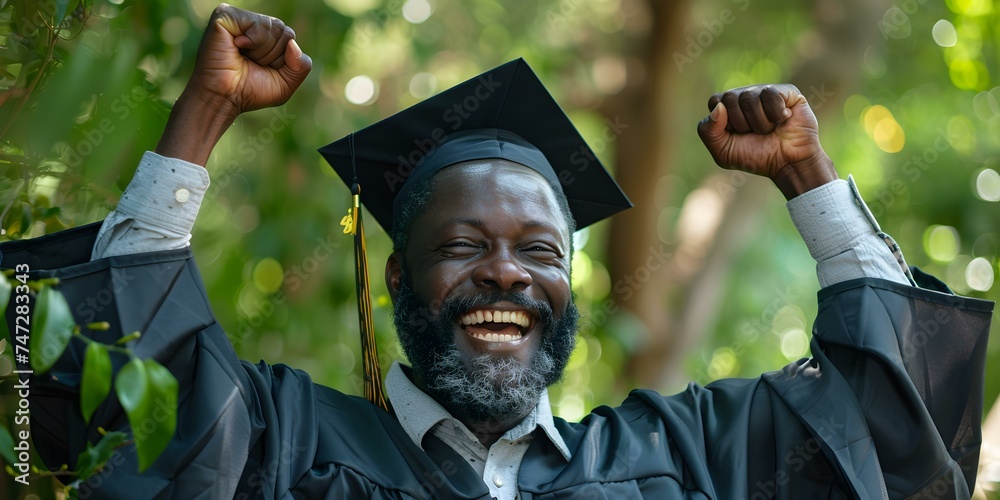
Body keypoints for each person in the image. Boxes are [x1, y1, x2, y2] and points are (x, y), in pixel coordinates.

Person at [1, 4, 993, 499]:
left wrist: (812, 182)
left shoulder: (680, 457)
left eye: (539, 250)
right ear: (398, 276)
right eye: (464, 244)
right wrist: (203, 115)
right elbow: (118, 389)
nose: (508, 271)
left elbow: (887, 432)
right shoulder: (283, 440)